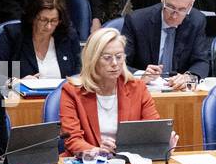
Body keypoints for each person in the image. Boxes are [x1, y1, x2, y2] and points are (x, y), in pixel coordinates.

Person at [59, 27, 161, 157]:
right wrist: (96, 151)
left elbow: (152, 130)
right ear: (93, 59)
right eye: (107, 58)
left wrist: (163, 140)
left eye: (119, 57)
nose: (114, 63)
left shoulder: (138, 88)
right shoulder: (72, 91)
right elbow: (72, 139)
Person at [121, 0, 210, 90]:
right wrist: (141, 75)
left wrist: (189, 77)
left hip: (179, 91)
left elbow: (202, 61)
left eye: (182, 10)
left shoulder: (197, 21)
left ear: (191, 5)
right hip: (144, 90)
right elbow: (120, 63)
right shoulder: (137, 21)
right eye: (170, 7)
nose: (174, 15)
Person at [0, 0, 82, 91]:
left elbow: (80, 72)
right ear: (32, 16)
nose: (49, 26)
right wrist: (14, 83)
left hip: (62, 101)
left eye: (54, 20)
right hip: (21, 103)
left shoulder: (68, 36)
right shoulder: (14, 35)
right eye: (43, 20)